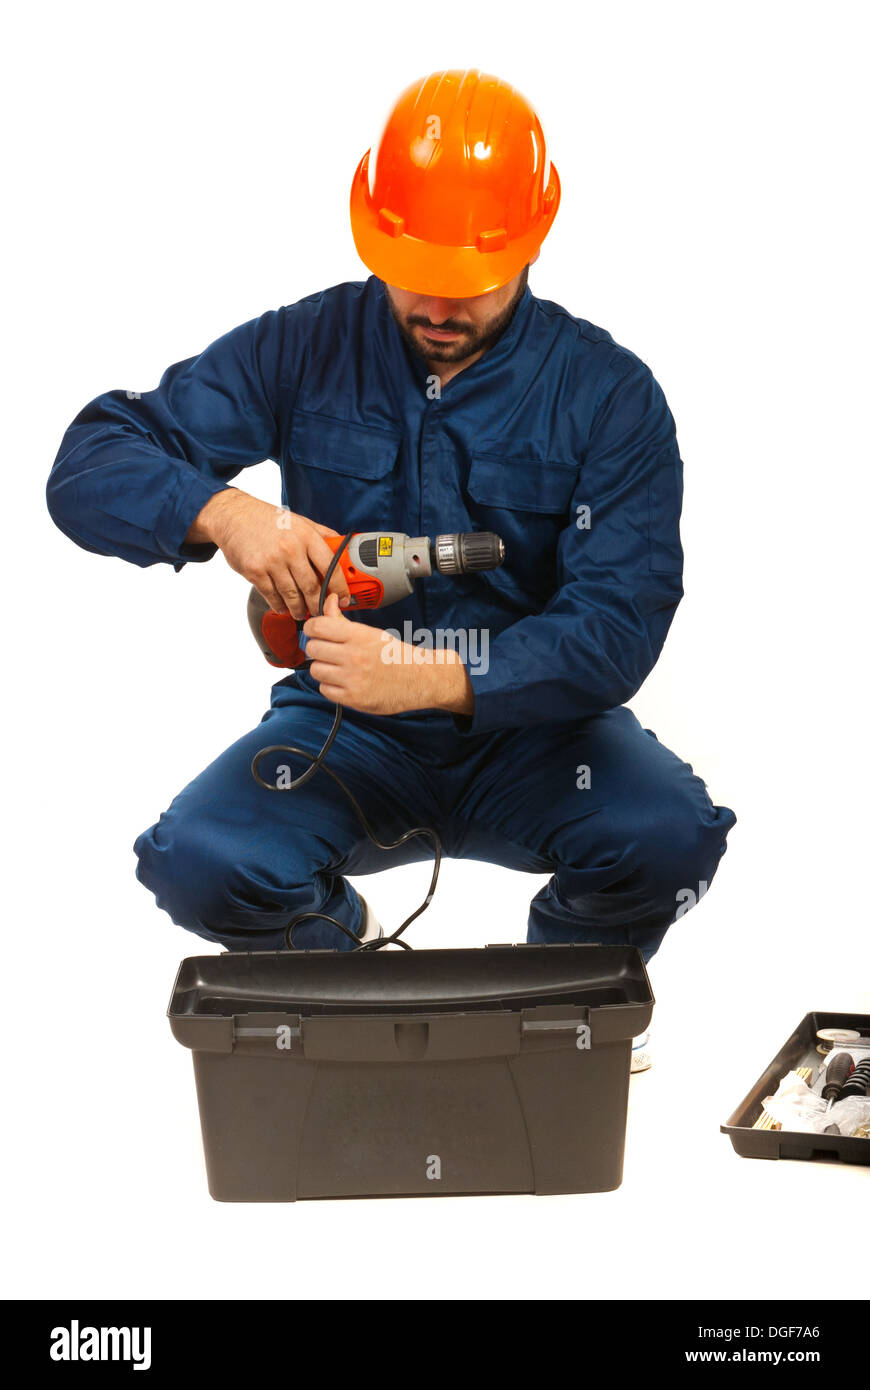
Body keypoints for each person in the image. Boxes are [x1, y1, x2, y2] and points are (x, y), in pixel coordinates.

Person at [46, 70, 736, 1070]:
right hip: (344, 737)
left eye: (473, 281)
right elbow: (89, 464)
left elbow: (617, 626)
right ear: (374, 236)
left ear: (532, 239)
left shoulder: (609, 395)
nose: (441, 305)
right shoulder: (298, 348)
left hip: (539, 736)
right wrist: (222, 511)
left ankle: (560, 1015)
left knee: (669, 834)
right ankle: (347, 971)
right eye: (416, 273)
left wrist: (434, 676)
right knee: (196, 861)